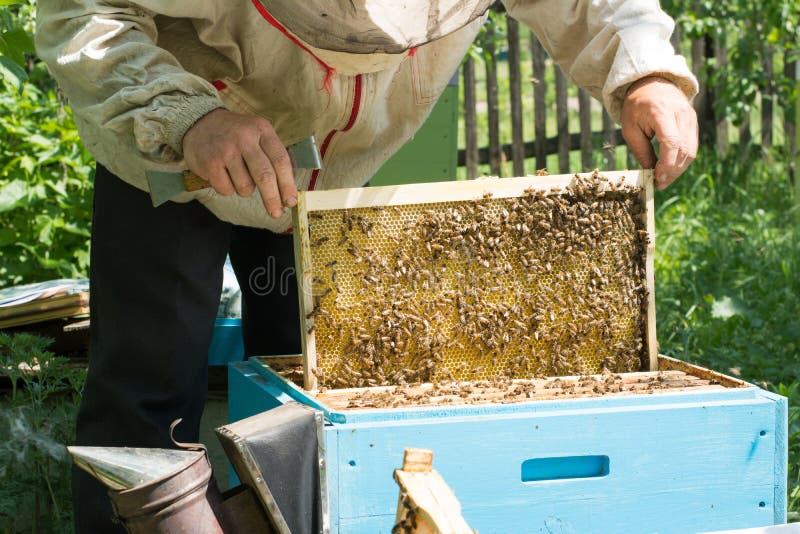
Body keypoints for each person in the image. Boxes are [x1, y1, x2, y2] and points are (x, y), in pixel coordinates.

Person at [35, 1, 698, 531]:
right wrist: (187, 117)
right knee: (147, 391)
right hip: (176, 148)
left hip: (329, 177)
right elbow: (81, 13)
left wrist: (644, 71)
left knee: (308, 397)